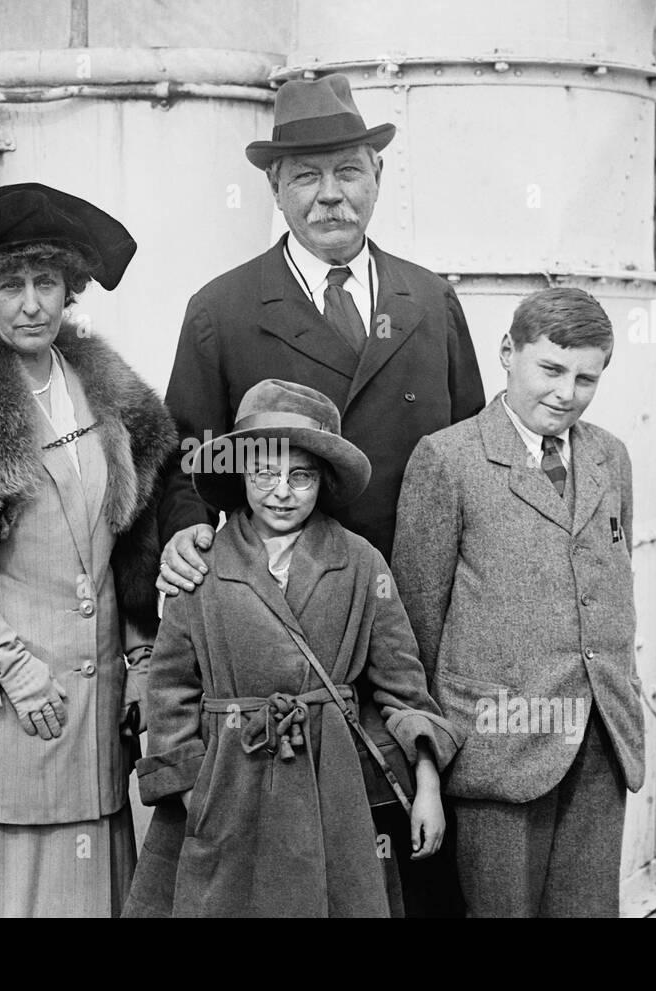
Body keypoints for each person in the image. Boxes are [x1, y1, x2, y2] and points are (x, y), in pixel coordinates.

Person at [155, 71, 485, 915]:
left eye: (348, 171)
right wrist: (187, 538)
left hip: (410, 618)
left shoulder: (431, 301)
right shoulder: (222, 310)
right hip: (280, 620)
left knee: (403, 858)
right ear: (274, 188)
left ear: (377, 177)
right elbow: (184, 461)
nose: (329, 195)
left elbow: (474, 447)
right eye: (305, 176)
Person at [0, 182, 175, 917]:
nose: (31, 304)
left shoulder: (99, 386)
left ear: (70, 287)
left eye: (46, 282)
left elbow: (131, 544)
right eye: (11, 285)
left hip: (90, 713)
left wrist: (142, 658)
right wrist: (15, 666)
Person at [124, 379, 460, 917]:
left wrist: (427, 786)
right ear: (241, 474)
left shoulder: (362, 563)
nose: (282, 491)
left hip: (333, 791)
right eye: (264, 471)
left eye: (300, 476)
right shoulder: (201, 566)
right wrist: (197, 795)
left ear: (323, 480)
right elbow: (171, 690)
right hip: (227, 782)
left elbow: (404, 688)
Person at [392, 287, 646, 917]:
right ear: (508, 352)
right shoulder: (447, 461)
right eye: (551, 370)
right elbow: (413, 630)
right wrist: (425, 761)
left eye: (587, 378)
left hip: (599, 744)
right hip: (499, 754)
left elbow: (608, 581)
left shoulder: (611, 457)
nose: (567, 393)